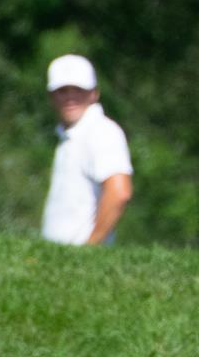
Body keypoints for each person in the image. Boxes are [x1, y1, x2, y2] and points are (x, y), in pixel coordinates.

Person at [40, 53, 135, 246]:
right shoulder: (71, 136)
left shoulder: (101, 131)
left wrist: (90, 248)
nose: (70, 97)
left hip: (80, 262)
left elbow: (119, 192)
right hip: (59, 260)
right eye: (62, 90)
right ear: (51, 96)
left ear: (94, 93)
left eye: (78, 90)